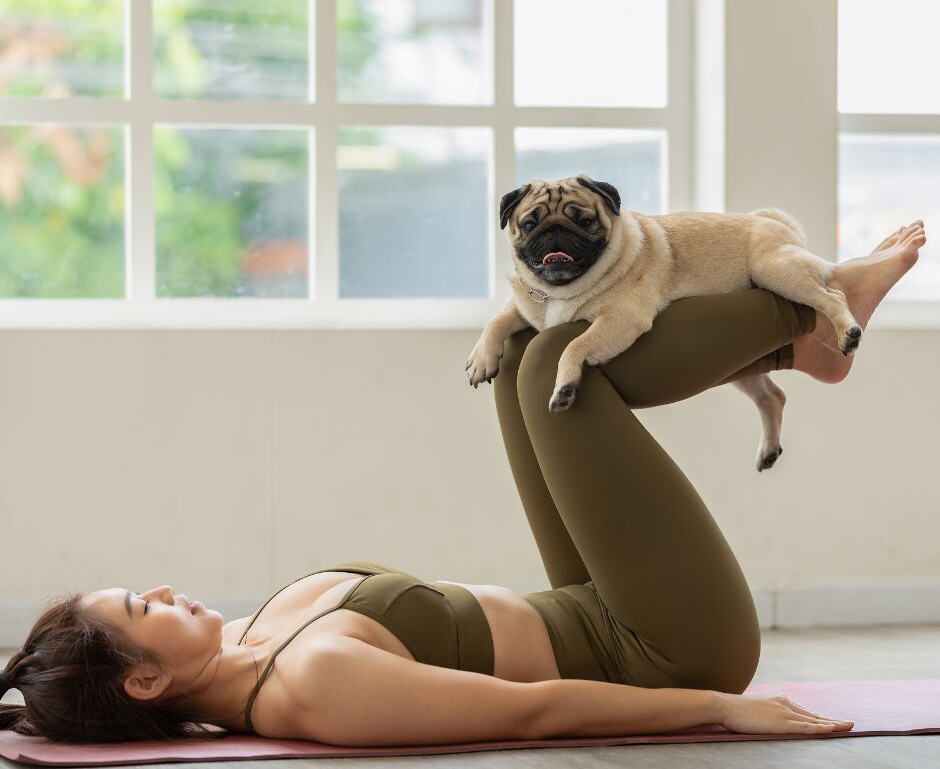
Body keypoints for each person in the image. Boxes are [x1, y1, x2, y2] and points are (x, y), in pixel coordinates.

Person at [0, 222, 926, 746]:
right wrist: (721, 707)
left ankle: (796, 340)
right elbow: (535, 709)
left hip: (589, 602)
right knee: (574, 365)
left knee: (531, 356)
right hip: (667, 646)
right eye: (138, 605)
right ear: (149, 679)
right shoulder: (313, 687)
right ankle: (809, 310)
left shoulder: (242, 644)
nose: (159, 587)